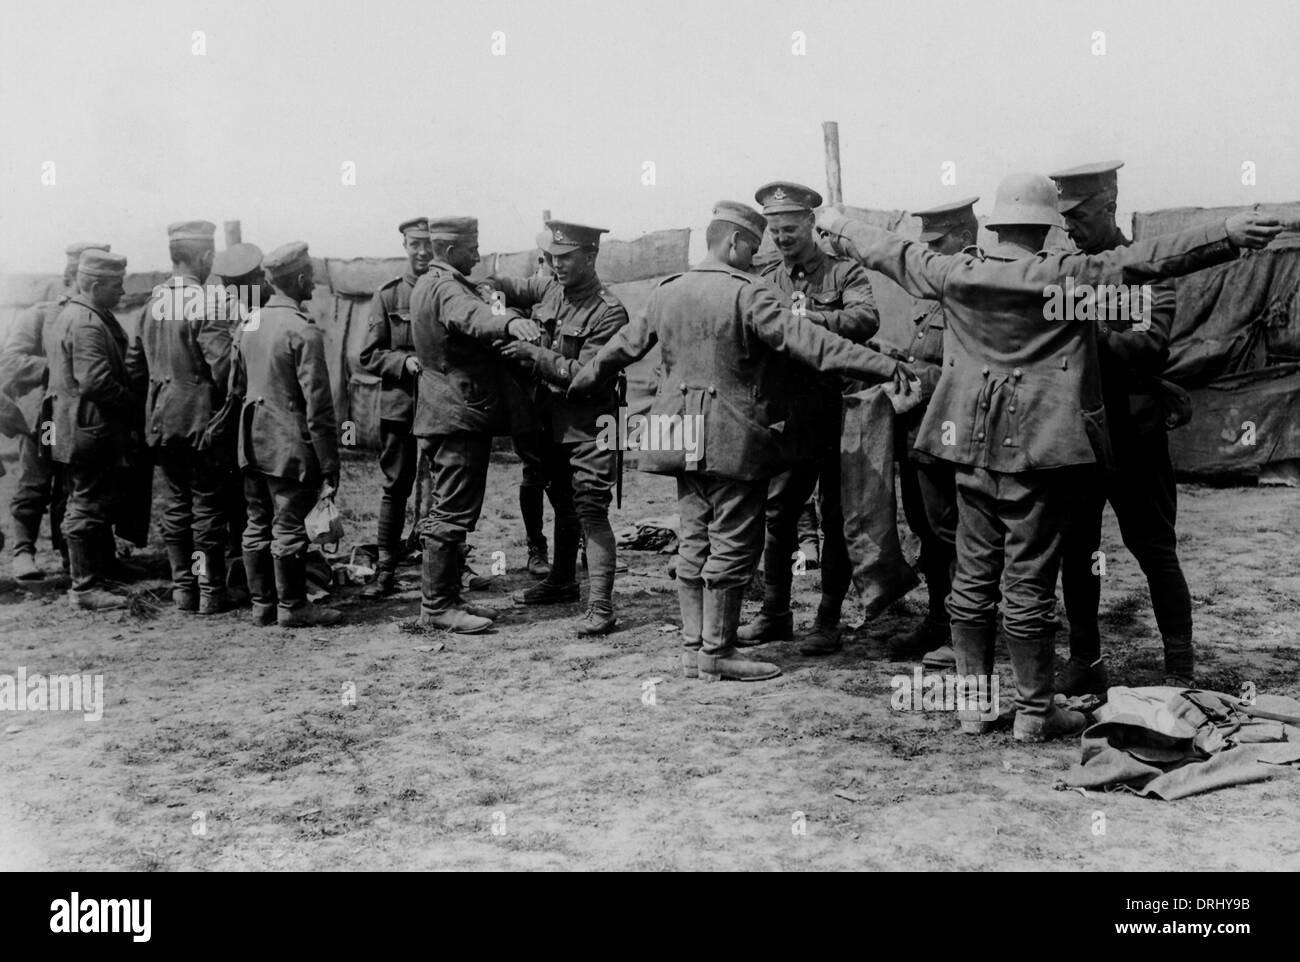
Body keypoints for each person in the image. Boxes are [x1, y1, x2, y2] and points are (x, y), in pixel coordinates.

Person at [816, 174, 1284, 741]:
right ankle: (1036, 712)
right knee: (1030, 583)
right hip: (1041, 452)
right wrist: (1229, 233)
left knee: (972, 578)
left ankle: (973, 706)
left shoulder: (954, 274)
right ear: (1045, 228)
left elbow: (891, 251)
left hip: (971, 450)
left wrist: (838, 224)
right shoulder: (1064, 278)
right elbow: (1153, 259)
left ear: (994, 226)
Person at [570, 201, 912, 682]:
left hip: (677, 432)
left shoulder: (670, 289)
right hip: (731, 435)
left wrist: (584, 378)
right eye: (752, 246)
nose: (756, 257)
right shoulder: (749, 293)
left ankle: (693, 648)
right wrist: (884, 366)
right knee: (732, 542)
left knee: (693, 538)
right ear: (734, 242)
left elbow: (623, 347)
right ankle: (717, 651)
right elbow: (812, 345)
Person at [1052, 161, 1196, 690]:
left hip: (1133, 436)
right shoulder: (1061, 268)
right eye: (1064, 216)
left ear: (1109, 204)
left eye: (1080, 214)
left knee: (1154, 548)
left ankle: (1179, 667)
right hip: (1078, 436)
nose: (1070, 226)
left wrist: (1080, 326)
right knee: (1079, 551)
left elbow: (1149, 347)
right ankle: (1085, 662)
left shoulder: (1147, 267)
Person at [737, 181, 880, 655]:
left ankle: (827, 619)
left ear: (811, 224)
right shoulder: (765, 280)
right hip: (790, 413)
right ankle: (776, 612)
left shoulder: (844, 273)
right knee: (779, 512)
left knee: (838, 516)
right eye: (774, 230)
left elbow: (865, 320)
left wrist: (817, 320)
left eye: (790, 228)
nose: (781, 237)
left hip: (841, 410)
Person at [490, 219, 629, 636]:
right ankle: (563, 582)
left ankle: (601, 606)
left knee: (590, 509)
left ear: (590, 256)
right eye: (552, 257)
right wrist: (508, 317)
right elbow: (493, 285)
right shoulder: (550, 287)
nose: (557, 264)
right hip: (550, 422)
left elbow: (584, 373)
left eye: (566, 258)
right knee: (563, 504)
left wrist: (531, 352)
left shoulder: (609, 311)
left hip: (592, 425)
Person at [408, 216, 539, 634]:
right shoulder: (446, 287)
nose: (477, 255)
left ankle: (445, 598)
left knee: (446, 506)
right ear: (450, 251)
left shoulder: (431, 282)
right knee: (452, 510)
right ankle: (438, 606)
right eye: (471, 248)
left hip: (440, 409)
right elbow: (471, 317)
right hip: (458, 414)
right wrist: (509, 322)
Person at [885, 198, 979, 669]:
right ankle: (940, 621)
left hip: (952, 434)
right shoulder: (934, 292)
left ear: (966, 235)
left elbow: (971, 367)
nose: (932, 253)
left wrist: (915, 370)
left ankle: (968, 633)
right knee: (928, 531)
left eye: (939, 243)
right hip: (919, 433)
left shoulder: (977, 290)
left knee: (954, 533)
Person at [228, 242, 342, 628]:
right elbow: (319, 407)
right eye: (309, 274)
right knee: (290, 524)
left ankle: (263, 605)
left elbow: (235, 387)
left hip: (251, 440)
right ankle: (293, 606)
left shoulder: (250, 324)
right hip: (288, 443)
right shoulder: (302, 330)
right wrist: (329, 461)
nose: (313, 280)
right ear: (298, 278)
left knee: (257, 521)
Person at [132, 220, 233, 613]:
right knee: (207, 506)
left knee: (175, 505)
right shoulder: (207, 302)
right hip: (201, 422)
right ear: (205, 256)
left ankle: (183, 590)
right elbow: (222, 366)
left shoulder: (150, 304)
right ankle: (211, 593)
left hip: (162, 420)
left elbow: (134, 367)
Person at [46, 249, 146, 610]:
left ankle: (100, 570)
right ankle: (85, 587)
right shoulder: (86, 322)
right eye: (116, 285)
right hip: (90, 428)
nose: (122, 292)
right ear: (94, 283)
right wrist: (135, 407)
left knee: (93, 500)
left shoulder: (81, 314)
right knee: (85, 504)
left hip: (83, 426)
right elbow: (96, 382)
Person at [0, 242, 107, 580]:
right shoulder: (40, 313)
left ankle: (69, 556)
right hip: (44, 418)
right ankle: (23, 551)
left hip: (76, 417)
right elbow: (10, 361)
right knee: (35, 481)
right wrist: (57, 367)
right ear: (71, 274)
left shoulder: (94, 313)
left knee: (68, 488)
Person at [358, 217, 431, 599]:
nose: (422, 252)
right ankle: (386, 570)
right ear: (404, 244)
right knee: (396, 486)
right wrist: (403, 363)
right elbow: (369, 355)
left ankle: (447, 566)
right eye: (415, 243)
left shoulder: (446, 290)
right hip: (400, 405)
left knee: (444, 486)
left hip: (439, 406)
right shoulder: (387, 296)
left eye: (428, 244)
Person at [206, 241, 267, 604]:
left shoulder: (261, 312)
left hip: (253, 420)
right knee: (237, 503)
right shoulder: (223, 317)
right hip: (233, 421)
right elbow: (223, 373)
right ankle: (241, 577)